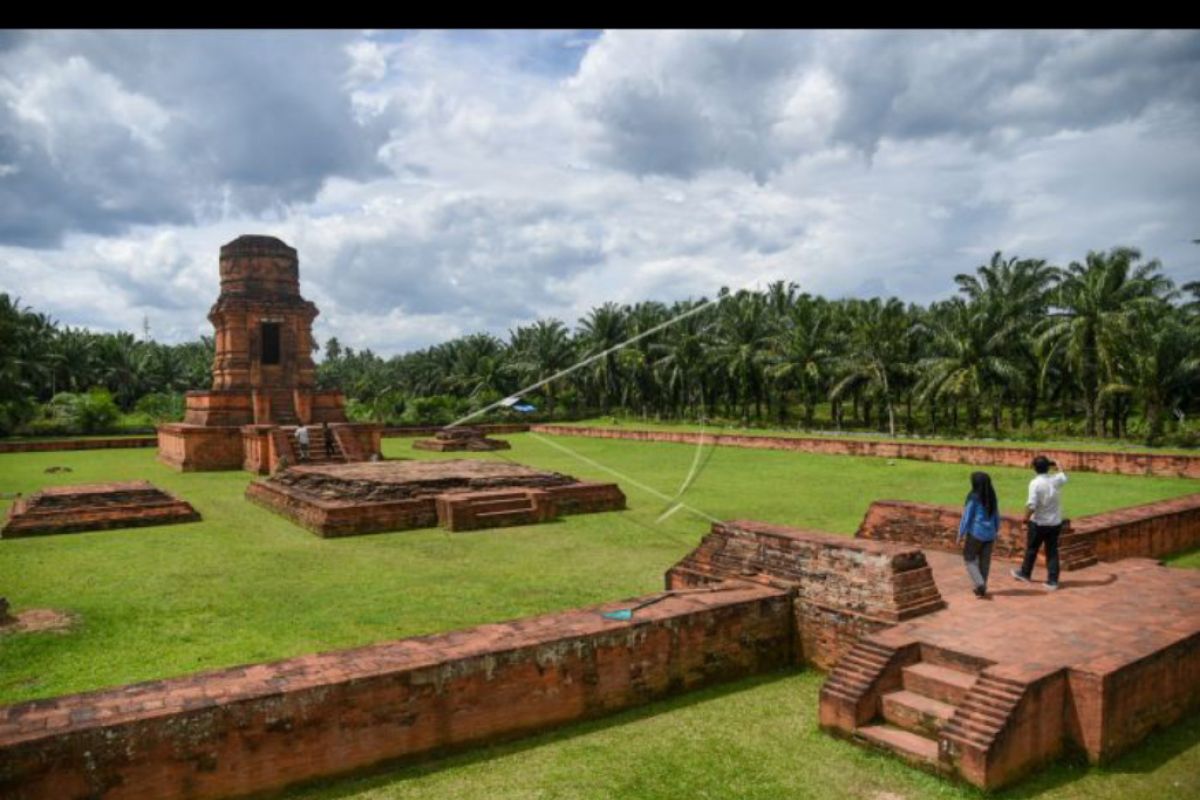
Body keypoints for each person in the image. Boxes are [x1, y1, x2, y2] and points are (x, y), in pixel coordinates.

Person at [1012, 455, 1068, 590]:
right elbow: (1063, 475)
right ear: (1048, 467)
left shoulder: (1035, 483)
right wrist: (1058, 464)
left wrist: (1025, 519)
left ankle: (1025, 573)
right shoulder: (1056, 479)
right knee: (1052, 551)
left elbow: (1032, 505)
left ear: (1034, 468)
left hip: (1039, 523)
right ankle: (1053, 581)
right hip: (1054, 522)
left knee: (1032, 548)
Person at [957, 471, 999, 599]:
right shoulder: (992, 497)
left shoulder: (974, 497)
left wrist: (960, 533)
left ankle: (980, 584)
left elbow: (967, 517)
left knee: (969, 558)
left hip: (976, 533)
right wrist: (995, 531)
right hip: (990, 534)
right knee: (984, 562)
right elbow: (997, 516)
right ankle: (982, 588)